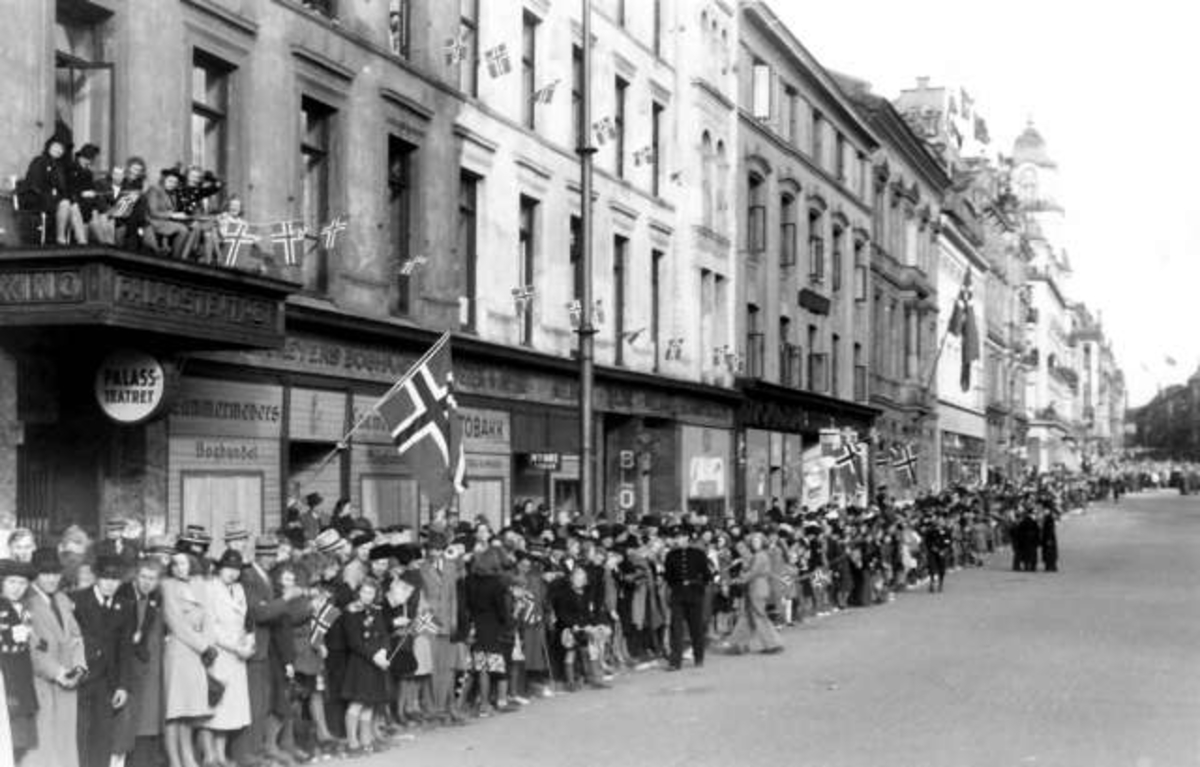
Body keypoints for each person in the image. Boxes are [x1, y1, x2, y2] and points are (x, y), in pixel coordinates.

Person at [23, 549, 84, 767]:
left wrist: (79, 668)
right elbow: (33, 648)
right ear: (35, 575)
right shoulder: (26, 602)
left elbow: (77, 636)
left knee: (65, 744)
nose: (52, 579)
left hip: (68, 684)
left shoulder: (63, 599)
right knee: (42, 747)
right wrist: (59, 673)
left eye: (55, 573)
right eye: (45, 573)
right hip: (42, 685)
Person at [71, 555, 133, 767]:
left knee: (103, 735)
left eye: (115, 580)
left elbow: (125, 649)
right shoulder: (76, 600)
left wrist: (123, 685)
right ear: (96, 577)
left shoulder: (125, 606)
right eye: (106, 578)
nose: (110, 584)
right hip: (81, 679)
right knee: (80, 734)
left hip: (107, 683)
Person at [161, 548, 217, 767]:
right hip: (179, 651)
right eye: (174, 564)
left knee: (190, 709)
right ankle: (176, 761)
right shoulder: (167, 586)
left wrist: (209, 644)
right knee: (174, 711)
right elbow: (176, 623)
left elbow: (209, 618)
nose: (178, 568)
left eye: (183, 563)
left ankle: (189, 758)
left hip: (199, 654)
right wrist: (203, 646)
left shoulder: (199, 585)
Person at [199, 550, 253, 767]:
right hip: (218, 652)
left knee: (230, 709)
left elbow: (246, 621)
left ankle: (221, 755)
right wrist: (234, 647)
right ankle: (209, 756)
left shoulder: (239, 589)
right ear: (220, 568)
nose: (233, 573)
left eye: (237, 569)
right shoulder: (210, 588)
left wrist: (248, 644)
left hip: (238, 654)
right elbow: (210, 627)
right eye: (229, 568)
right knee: (213, 703)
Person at [117, 558, 165, 767]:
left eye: (152, 579)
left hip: (139, 661)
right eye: (143, 577)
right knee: (123, 718)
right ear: (136, 576)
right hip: (121, 661)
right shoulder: (123, 594)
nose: (147, 582)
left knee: (140, 715)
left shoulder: (153, 597)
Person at [340, 579, 389, 755]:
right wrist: (374, 656)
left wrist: (383, 651)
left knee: (370, 702)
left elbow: (384, 634)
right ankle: (352, 743)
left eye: (371, 593)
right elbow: (354, 642)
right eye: (364, 592)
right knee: (357, 702)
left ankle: (366, 740)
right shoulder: (351, 611)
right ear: (358, 593)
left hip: (376, 661)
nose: (367, 596)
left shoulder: (376, 611)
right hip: (360, 663)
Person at [0, 559, 37, 764]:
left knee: (20, 742)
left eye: (22, 583)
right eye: (12, 582)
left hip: (21, 679)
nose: (17, 588)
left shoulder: (24, 608)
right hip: (4, 678)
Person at [662, 526, 712, 671]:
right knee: (676, 628)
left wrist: (699, 585)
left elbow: (707, 575)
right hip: (678, 594)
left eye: (681, 537)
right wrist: (676, 586)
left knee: (696, 627)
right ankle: (675, 661)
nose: (678, 540)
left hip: (695, 593)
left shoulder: (698, 554)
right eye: (676, 537)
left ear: (687, 538)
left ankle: (699, 656)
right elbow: (669, 577)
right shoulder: (671, 555)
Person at [726, 531, 783, 654]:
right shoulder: (761, 555)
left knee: (758, 616)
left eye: (757, 541)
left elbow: (753, 573)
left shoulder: (759, 556)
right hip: (758, 587)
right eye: (753, 541)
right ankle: (738, 644)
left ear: (762, 542)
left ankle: (771, 644)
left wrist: (739, 579)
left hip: (757, 587)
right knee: (748, 616)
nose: (754, 543)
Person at [20, 135, 74, 244]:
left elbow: (62, 188)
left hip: (54, 199)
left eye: (62, 149)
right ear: (49, 146)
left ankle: (82, 241)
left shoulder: (60, 167)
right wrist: (52, 193)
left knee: (74, 206)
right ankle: (61, 238)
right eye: (56, 146)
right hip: (37, 197)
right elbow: (35, 184)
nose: (59, 150)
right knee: (65, 203)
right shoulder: (39, 161)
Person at [144, 166, 191, 259]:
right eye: (170, 181)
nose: (172, 184)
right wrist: (173, 215)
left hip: (166, 222)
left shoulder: (173, 194)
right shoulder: (154, 190)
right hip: (153, 221)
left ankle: (183, 255)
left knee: (191, 226)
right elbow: (153, 212)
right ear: (164, 180)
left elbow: (173, 210)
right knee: (183, 229)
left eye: (175, 183)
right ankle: (176, 257)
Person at [1040, 508, 1059, 573]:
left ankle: (1050, 566)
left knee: (1049, 553)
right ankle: (1051, 566)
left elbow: (1049, 530)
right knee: (1050, 553)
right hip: (1049, 538)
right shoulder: (1048, 518)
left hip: (1048, 538)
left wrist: (1049, 539)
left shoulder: (1049, 519)